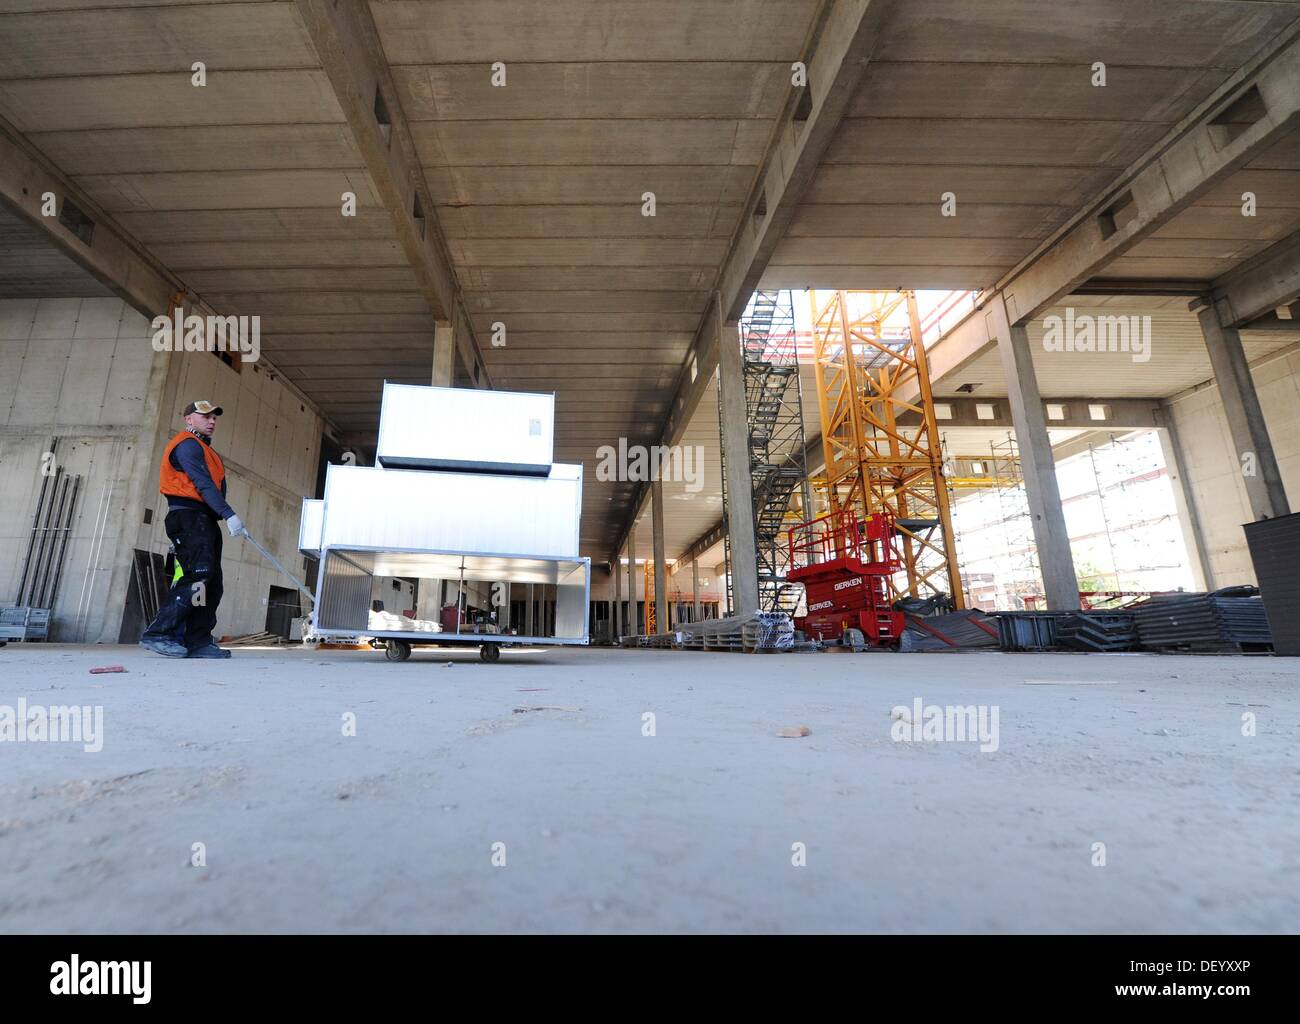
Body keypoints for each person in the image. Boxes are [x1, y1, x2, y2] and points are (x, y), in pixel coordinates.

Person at [138, 400, 247, 658]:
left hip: (204, 520)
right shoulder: (187, 445)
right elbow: (201, 483)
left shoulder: (206, 450)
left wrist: (220, 515)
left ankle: (197, 640)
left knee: (212, 582)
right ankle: (158, 633)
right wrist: (229, 514)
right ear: (188, 419)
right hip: (188, 517)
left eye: (214, 417)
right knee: (197, 575)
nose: (212, 421)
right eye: (205, 416)